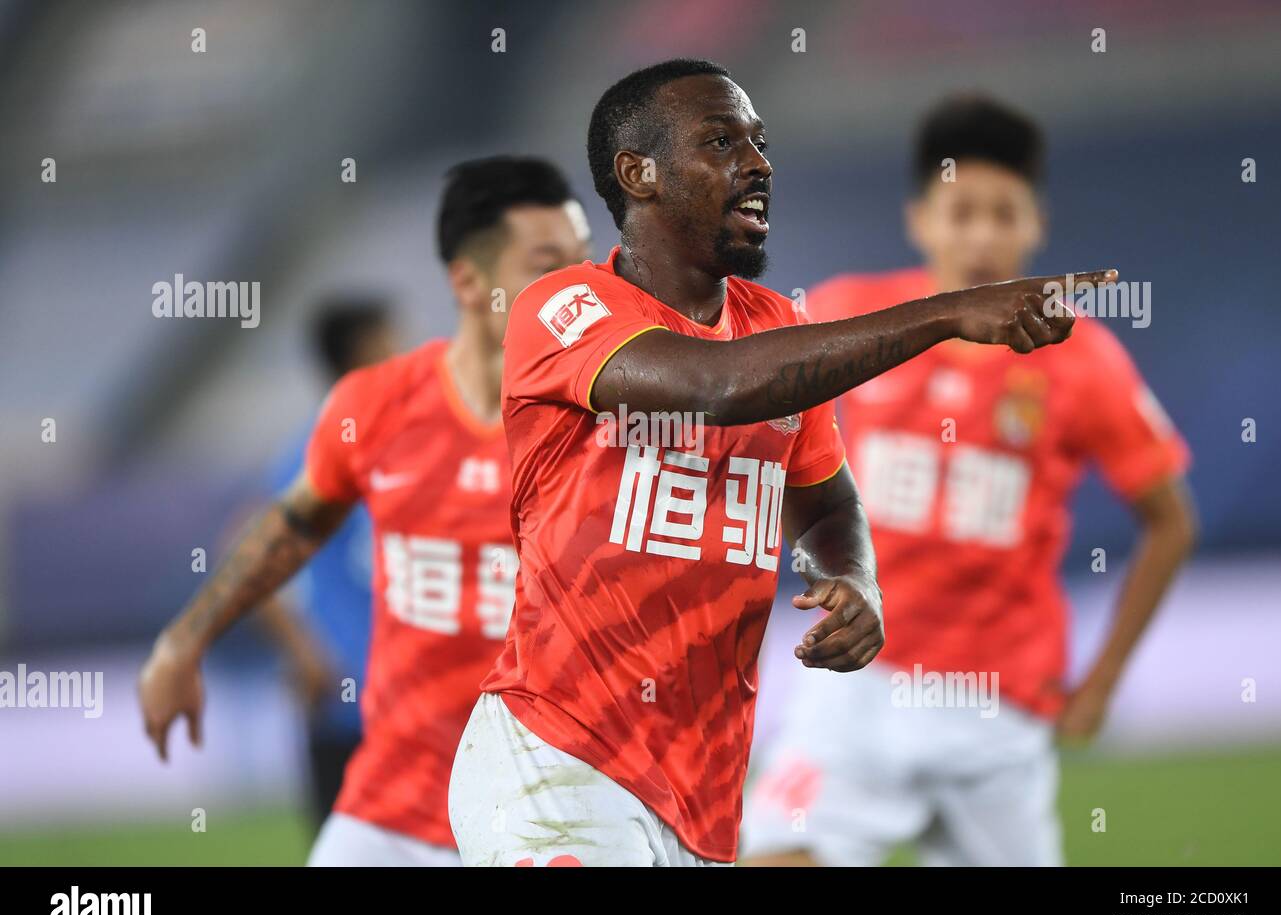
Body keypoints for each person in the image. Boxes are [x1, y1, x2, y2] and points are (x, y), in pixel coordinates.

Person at [447, 59, 1113, 867]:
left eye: (760, 144)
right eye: (722, 142)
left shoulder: (776, 322)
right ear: (638, 174)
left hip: (702, 790)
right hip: (554, 764)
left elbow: (827, 504)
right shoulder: (560, 309)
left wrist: (854, 577)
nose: (758, 165)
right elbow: (715, 386)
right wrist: (948, 313)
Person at [742, 95, 1196, 867]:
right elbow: (759, 440)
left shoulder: (1084, 360)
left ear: (1037, 225)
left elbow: (1170, 521)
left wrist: (1101, 683)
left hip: (996, 705)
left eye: (1003, 213)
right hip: (854, 681)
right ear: (920, 220)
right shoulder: (855, 313)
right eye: (961, 213)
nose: (982, 235)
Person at [138, 156, 591, 866]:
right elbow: (291, 526)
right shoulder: (376, 407)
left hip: (547, 821)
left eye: (584, 263)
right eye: (546, 264)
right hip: (393, 813)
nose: (579, 288)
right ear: (468, 283)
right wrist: (183, 643)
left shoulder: (609, 425)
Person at [260, 298, 397, 831]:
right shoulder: (316, 454)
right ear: (363, 356)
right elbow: (250, 553)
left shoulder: (410, 443)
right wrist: (304, 653)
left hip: (418, 701)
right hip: (347, 705)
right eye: (391, 346)